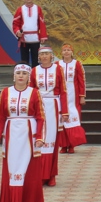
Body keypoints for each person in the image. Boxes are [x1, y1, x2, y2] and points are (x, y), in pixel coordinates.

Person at [0, 64, 46, 202]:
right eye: (18, 73)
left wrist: (40, 137)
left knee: (29, 171)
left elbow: (41, 117)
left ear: (29, 77)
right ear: (13, 76)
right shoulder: (5, 92)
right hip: (11, 135)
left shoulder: (35, 93)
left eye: (24, 73)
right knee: (12, 169)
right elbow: (0, 116)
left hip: (29, 135)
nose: (21, 76)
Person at [33, 46, 68, 186]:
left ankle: (51, 174)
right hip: (39, 106)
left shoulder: (58, 69)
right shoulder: (34, 71)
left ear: (52, 56)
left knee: (52, 141)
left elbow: (64, 91)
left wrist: (64, 111)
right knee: (39, 139)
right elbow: (31, 91)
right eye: (42, 54)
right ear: (39, 57)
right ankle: (38, 174)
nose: (45, 56)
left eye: (47, 53)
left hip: (54, 105)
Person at [57, 44, 86, 153]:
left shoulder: (77, 64)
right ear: (61, 52)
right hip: (60, 95)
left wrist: (82, 96)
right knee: (61, 119)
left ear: (72, 52)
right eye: (64, 50)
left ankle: (72, 145)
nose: (66, 52)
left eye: (68, 50)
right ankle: (63, 145)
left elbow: (81, 80)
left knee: (73, 118)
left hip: (73, 96)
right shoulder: (57, 64)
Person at [12, 0, 48, 68]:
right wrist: (17, 31)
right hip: (24, 39)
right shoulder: (20, 9)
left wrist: (43, 36)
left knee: (36, 58)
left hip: (35, 38)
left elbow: (42, 23)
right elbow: (15, 23)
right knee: (24, 59)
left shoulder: (38, 9)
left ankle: (35, 74)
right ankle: (25, 74)